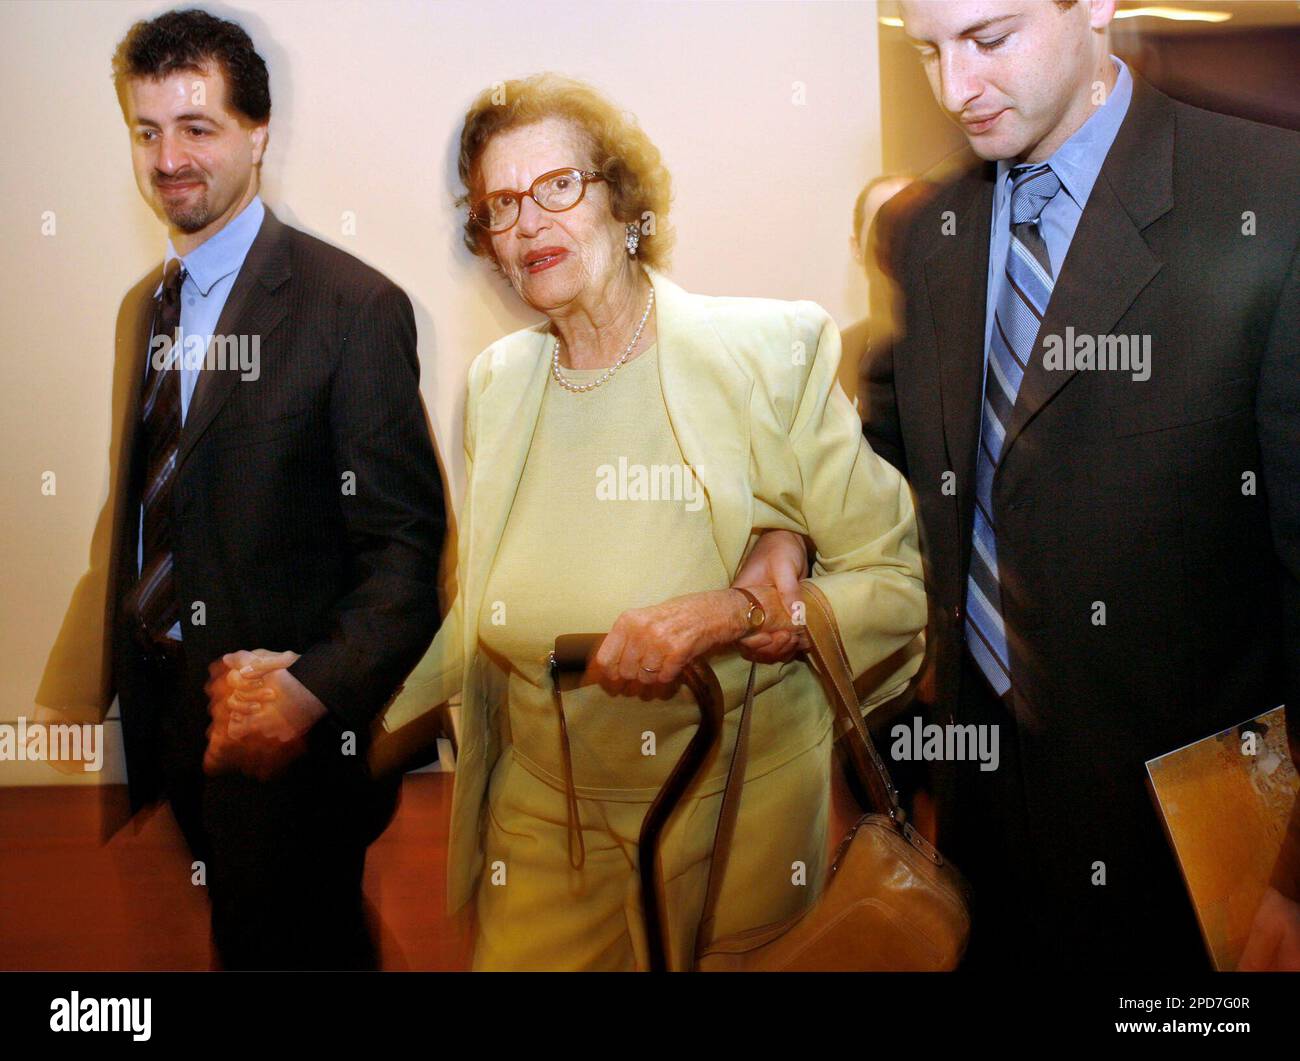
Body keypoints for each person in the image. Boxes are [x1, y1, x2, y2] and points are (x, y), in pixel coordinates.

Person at [353, 73, 927, 971]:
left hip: (727, 821)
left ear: (624, 206)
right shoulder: (499, 386)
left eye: (557, 187)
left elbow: (896, 588)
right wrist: (335, 702)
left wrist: (742, 613)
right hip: (541, 825)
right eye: (500, 206)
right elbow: (479, 615)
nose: (529, 223)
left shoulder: (766, 355)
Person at [845, 0, 1298, 969]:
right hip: (983, 834)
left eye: (990, 39)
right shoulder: (933, 237)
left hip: (1194, 847)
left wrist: (1294, 870)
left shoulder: (1271, 202)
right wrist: (782, 538)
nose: (954, 90)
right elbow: (895, 471)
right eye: (928, 52)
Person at [36, 8, 446, 969]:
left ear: (259, 135)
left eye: (197, 127)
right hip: (172, 713)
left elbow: (409, 553)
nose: (168, 157)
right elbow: (139, 496)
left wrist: (305, 696)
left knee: (298, 943)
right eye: (146, 130)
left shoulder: (353, 309)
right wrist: (75, 676)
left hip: (292, 734)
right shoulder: (149, 305)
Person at [838, 173, 917, 405]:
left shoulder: (961, 350)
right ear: (856, 248)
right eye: (881, 226)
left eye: (912, 224)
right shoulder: (832, 355)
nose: (898, 240)